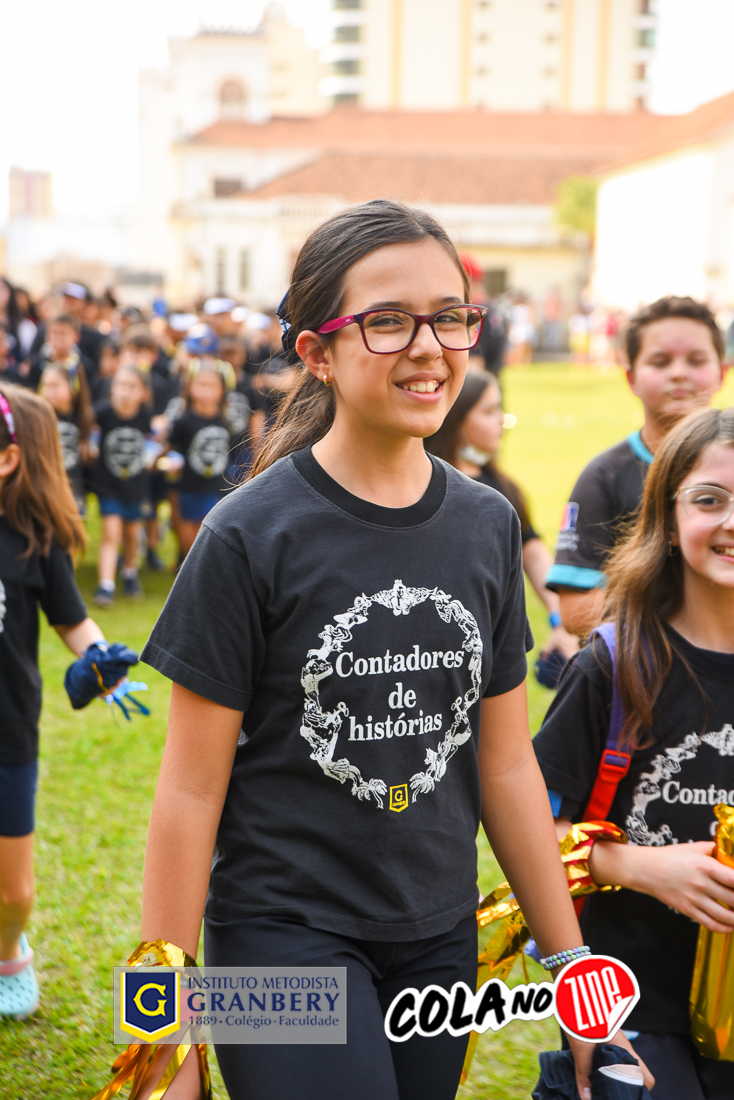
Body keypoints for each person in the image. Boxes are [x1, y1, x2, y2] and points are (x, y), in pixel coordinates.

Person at [137, 199, 648, 1100]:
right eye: (387, 321)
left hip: (437, 940)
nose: (429, 346)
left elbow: (507, 771)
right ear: (317, 352)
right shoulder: (247, 535)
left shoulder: (487, 522)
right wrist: (161, 1040)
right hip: (277, 938)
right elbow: (187, 794)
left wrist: (582, 987)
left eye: (450, 317)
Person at [533, 405, 734, 1100]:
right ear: (668, 519)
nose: (731, 521)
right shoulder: (612, 667)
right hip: (634, 1005)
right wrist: (639, 866)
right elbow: (530, 835)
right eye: (709, 500)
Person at [0, 382, 135, 1019]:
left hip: (7, 731)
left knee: (13, 893)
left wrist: (103, 665)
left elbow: (74, 623)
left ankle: (8, 949)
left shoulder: (34, 541)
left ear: (9, 459)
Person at [547, 296, 728, 638]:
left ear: (723, 371)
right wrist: (689, 611)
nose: (679, 373)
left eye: (696, 360)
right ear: (630, 377)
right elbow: (575, 610)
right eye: (660, 361)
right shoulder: (603, 476)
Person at [425, 370, 577, 671]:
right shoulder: (426, 485)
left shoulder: (502, 488)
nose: (502, 421)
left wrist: (559, 620)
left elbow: (532, 551)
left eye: (501, 409)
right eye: (489, 411)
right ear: (456, 419)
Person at [92, 365, 152, 606]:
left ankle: (129, 571)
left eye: (132, 387)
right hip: (109, 485)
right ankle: (105, 586)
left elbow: (154, 439)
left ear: (143, 392)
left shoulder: (146, 415)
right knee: (111, 532)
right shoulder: (102, 412)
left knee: (131, 535)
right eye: (121, 385)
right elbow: (87, 430)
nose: (125, 392)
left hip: (136, 486)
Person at [162, 359, 234, 557]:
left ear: (222, 390)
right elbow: (170, 448)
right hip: (189, 486)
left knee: (210, 532)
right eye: (201, 385)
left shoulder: (226, 421)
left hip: (217, 487)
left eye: (212, 386)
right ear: (190, 387)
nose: (206, 391)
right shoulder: (183, 421)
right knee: (190, 538)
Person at [38, 362, 94, 514]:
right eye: (46, 386)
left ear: (73, 387)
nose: (49, 391)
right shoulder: (37, 417)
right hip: (44, 486)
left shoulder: (82, 417)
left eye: (55, 386)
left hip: (72, 487)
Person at [25, 313, 95, 392]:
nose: (58, 338)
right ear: (47, 336)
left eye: (63, 334)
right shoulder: (37, 364)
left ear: (76, 337)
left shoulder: (84, 366)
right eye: (54, 333)